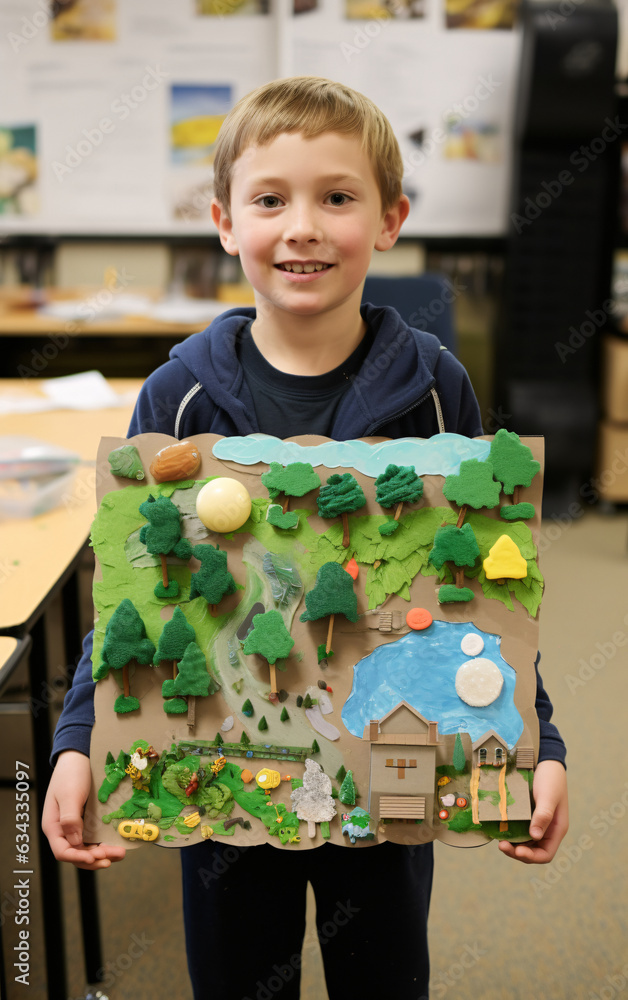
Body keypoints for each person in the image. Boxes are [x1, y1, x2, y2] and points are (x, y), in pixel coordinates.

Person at [43, 76, 568, 999]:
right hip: (218, 763)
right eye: (270, 199)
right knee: (241, 972)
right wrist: (82, 735)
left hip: (386, 759)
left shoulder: (437, 388)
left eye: (338, 196)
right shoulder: (180, 398)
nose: (303, 227)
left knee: (384, 970)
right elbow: (131, 595)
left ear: (391, 217)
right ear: (223, 221)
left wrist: (543, 745)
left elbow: (491, 585)